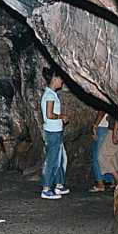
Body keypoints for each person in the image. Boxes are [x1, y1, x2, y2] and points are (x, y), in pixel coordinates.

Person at [40, 70, 70, 199]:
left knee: (60, 158)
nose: (62, 81)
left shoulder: (51, 94)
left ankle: (58, 185)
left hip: (55, 131)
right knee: (52, 160)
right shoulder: (50, 96)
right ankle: (46, 189)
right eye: (60, 78)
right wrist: (61, 116)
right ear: (54, 79)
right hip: (52, 132)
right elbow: (49, 114)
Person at [90, 109, 118, 192]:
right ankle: (111, 181)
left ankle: (100, 184)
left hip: (102, 126)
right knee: (110, 156)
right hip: (109, 127)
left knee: (97, 156)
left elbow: (102, 110)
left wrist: (95, 125)